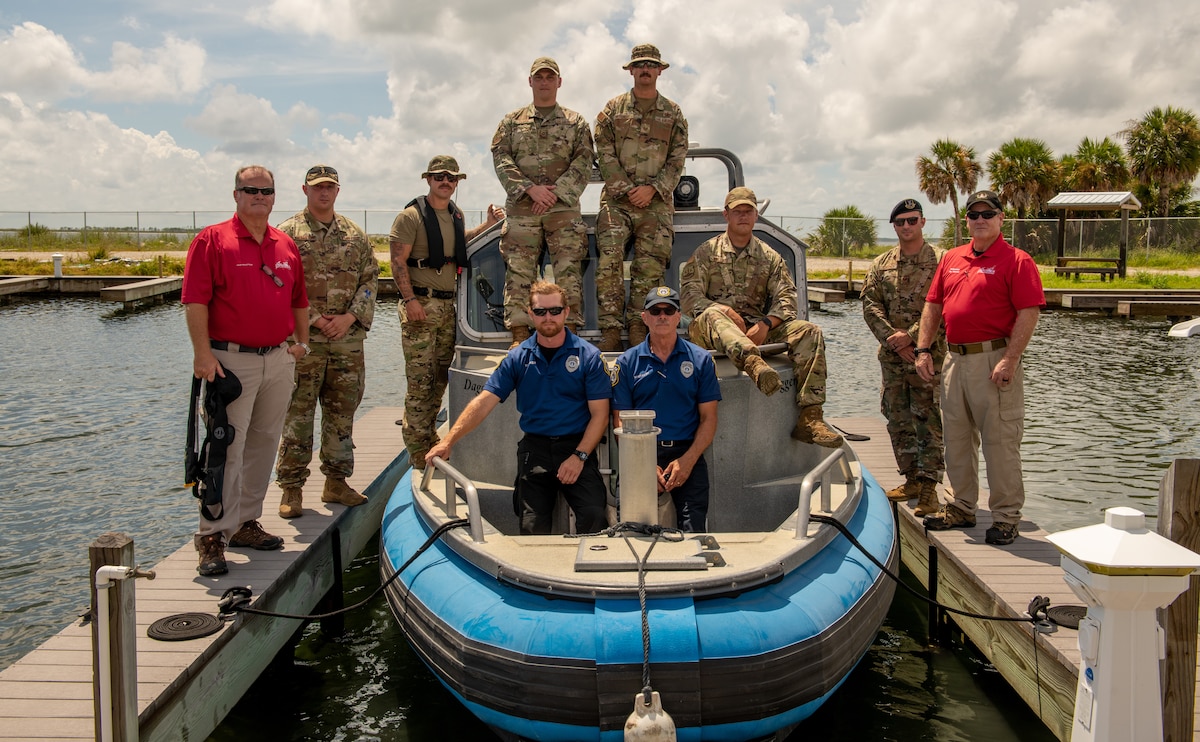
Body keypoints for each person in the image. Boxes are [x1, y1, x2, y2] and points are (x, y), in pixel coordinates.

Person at [182, 165, 309, 576]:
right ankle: (212, 535)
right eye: (250, 190)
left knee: (264, 443)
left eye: (266, 190)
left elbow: (299, 301)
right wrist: (203, 355)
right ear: (235, 194)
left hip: (277, 359)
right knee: (225, 448)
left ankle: (245, 523)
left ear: (275, 197)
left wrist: (300, 343)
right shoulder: (212, 240)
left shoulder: (285, 244)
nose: (259, 196)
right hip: (229, 361)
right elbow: (195, 301)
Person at [426, 281, 610, 535]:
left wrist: (578, 457)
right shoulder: (518, 358)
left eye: (555, 311)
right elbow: (483, 403)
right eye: (541, 311)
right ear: (531, 314)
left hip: (577, 446)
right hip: (535, 449)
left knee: (594, 515)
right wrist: (448, 441)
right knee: (530, 525)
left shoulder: (588, 357)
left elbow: (600, 415)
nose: (549, 317)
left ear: (567, 312)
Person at [915, 190, 1044, 546]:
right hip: (954, 358)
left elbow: (1028, 312)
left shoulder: (1017, 261)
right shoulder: (952, 258)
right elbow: (933, 305)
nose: (980, 219)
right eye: (974, 214)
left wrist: (1011, 359)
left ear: (1002, 219)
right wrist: (924, 349)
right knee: (956, 438)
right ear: (966, 221)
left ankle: (1004, 517)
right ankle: (960, 507)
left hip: (994, 359)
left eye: (988, 213)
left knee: (1000, 442)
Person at [681, 187, 843, 447]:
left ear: (756, 216)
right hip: (711, 335)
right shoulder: (706, 253)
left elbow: (787, 297)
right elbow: (689, 298)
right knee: (712, 314)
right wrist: (724, 311)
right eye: (737, 212)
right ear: (726, 215)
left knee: (810, 331)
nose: (743, 216)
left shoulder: (770, 257)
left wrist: (766, 324)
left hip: (756, 330)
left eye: (748, 211)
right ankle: (754, 365)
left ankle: (811, 419)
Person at [273, 165, 379, 519]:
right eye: (318, 187)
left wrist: (350, 316)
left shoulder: (354, 235)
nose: (324, 193)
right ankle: (292, 488)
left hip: (347, 342)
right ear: (304, 189)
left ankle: (336, 481)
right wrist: (316, 319)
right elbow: (280, 284)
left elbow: (369, 279)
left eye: (330, 187)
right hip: (305, 341)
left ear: (337, 190)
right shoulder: (286, 234)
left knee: (341, 415)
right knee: (298, 415)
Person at [390, 156, 504, 470]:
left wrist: (488, 227)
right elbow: (398, 262)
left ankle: (430, 443)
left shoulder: (455, 214)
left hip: (447, 308)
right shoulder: (410, 217)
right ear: (428, 179)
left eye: (452, 178)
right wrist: (410, 300)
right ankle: (417, 454)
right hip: (421, 308)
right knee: (420, 385)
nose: (446, 182)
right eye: (440, 177)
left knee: (441, 380)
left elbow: (457, 248)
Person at [491, 57, 594, 346]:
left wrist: (554, 193)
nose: (545, 81)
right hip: (523, 208)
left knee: (569, 272)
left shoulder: (576, 122)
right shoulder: (511, 122)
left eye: (550, 77)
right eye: (540, 77)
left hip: (562, 209)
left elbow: (584, 160)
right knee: (519, 273)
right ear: (531, 81)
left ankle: (570, 335)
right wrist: (529, 189)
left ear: (559, 82)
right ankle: (520, 335)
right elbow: (501, 158)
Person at [593, 43, 689, 351]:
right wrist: (625, 188)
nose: (645, 69)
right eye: (640, 65)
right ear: (631, 70)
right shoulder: (611, 111)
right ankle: (610, 328)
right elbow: (603, 152)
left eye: (651, 65)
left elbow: (677, 158)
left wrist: (653, 189)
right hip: (617, 202)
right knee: (609, 261)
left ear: (660, 70)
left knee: (649, 266)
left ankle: (637, 325)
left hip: (657, 202)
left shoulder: (673, 114)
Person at [861, 198, 946, 517]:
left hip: (929, 356)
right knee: (897, 418)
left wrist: (912, 336)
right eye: (900, 222)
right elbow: (870, 305)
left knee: (927, 419)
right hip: (893, 359)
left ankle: (929, 489)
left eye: (912, 220)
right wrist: (894, 341)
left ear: (923, 222)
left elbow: (945, 307)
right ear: (893, 226)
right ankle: (911, 479)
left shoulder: (941, 261)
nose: (906, 226)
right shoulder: (881, 264)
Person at [611, 286, 720, 532]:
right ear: (644, 317)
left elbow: (709, 418)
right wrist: (643, 465)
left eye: (668, 310)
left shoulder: (701, 360)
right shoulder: (626, 363)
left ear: (678, 316)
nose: (662, 316)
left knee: (694, 535)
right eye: (655, 310)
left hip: (687, 452)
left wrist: (688, 461)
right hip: (639, 453)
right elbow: (620, 422)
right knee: (632, 532)